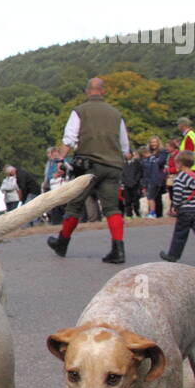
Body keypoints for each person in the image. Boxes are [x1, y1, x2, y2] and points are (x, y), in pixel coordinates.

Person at [48, 77, 131, 263]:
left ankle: (62, 242)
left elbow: (69, 138)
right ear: (103, 91)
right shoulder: (116, 114)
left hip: (89, 165)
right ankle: (118, 249)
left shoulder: (80, 111)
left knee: (75, 204)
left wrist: (61, 159)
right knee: (111, 208)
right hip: (113, 165)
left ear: (87, 91)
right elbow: (125, 146)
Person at [158, 151, 195, 270]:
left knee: (180, 234)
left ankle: (173, 255)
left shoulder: (180, 178)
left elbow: (178, 194)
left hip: (185, 210)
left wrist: (175, 206)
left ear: (180, 163)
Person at [143, 135, 167, 218]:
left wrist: (151, 157)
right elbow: (144, 164)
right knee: (150, 196)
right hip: (149, 177)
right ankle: (153, 212)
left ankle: (156, 213)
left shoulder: (162, 152)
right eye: (152, 142)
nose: (153, 144)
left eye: (155, 142)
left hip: (157, 177)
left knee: (154, 196)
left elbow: (160, 162)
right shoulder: (148, 152)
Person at [120, 149, 143, 218]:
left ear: (131, 154)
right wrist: (124, 181)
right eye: (125, 154)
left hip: (135, 185)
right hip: (126, 185)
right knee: (127, 201)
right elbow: (122, 174)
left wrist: (135, 181)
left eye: (128, 153)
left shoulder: (136, 162)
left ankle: (138, 213)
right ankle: (129, 215)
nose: (127, 155)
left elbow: (139, 172)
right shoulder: (123, 164)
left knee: (136, 200)